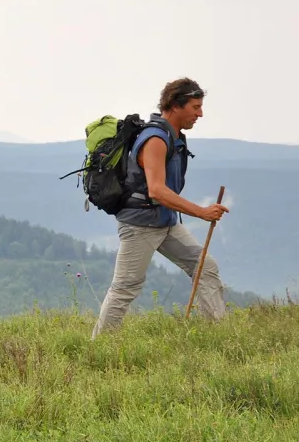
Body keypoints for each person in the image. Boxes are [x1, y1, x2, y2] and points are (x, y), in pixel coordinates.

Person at [92, 78, 229, 337]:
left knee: (205, 268)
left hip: (165, 222)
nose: (200, 114)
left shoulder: (173, 136)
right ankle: (99, 347)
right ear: (176, 106)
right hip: (140, 225)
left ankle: (218, 335)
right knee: (125, 288)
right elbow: (156, 190)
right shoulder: (155, 138)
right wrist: (201, 212)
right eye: (195, 107)